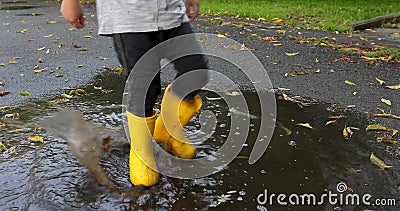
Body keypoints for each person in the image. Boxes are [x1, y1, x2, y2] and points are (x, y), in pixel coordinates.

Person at [60, 0, 208, 187]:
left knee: (196, 73)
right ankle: (142, 150)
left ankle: (166, 130)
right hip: (128, 17)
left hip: (171, 11)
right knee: (145, 88)